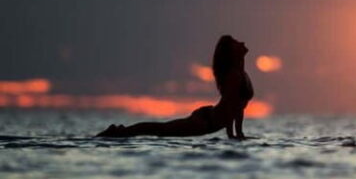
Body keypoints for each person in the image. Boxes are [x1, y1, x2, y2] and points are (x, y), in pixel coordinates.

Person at [97, 35, 254, 138]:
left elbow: (236, 106)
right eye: (236, 43)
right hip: (205, 122)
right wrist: (235, 134)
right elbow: (233, 107)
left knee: (161, 129)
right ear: (232, 53)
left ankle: (120, 131)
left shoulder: (239, 73)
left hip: (208, 117)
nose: (242, 42)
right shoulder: (234, 76)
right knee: (161, 130)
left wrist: (237, 133)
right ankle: (118, 132)